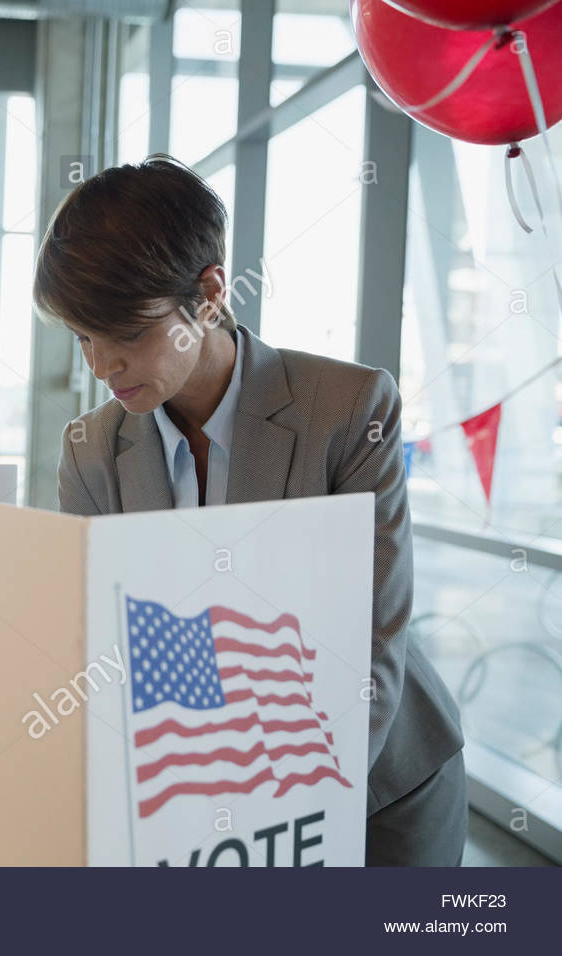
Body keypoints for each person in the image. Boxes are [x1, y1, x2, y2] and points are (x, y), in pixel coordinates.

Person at [37, 156, 466, 866]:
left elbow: (371, 638)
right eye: (84, 336)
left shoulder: (349, 409)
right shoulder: (91, 450)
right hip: (194, 786)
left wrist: (286, 813)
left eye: (128, 334)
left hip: (378, 780)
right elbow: (101, 647)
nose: (102, 367)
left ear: (207, 295)